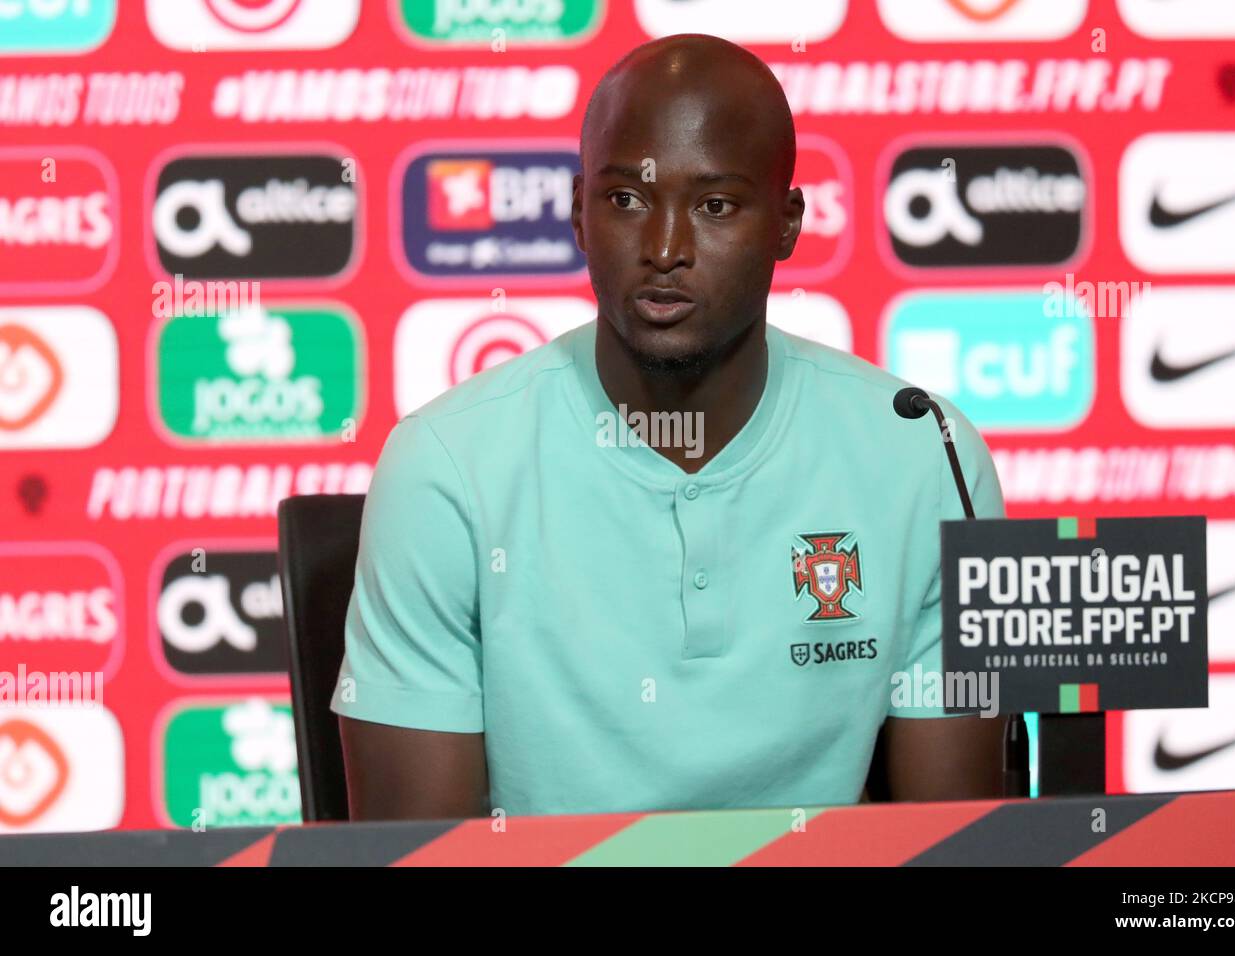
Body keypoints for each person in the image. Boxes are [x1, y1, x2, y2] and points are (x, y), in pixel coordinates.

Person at [331, 34, 1007, 819]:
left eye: (715, 205)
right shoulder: (447, 467)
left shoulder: (925, 456)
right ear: (579, 213)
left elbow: (954, 844)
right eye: (627, 200)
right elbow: (417, 858)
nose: (665, 250)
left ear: (787, 224)